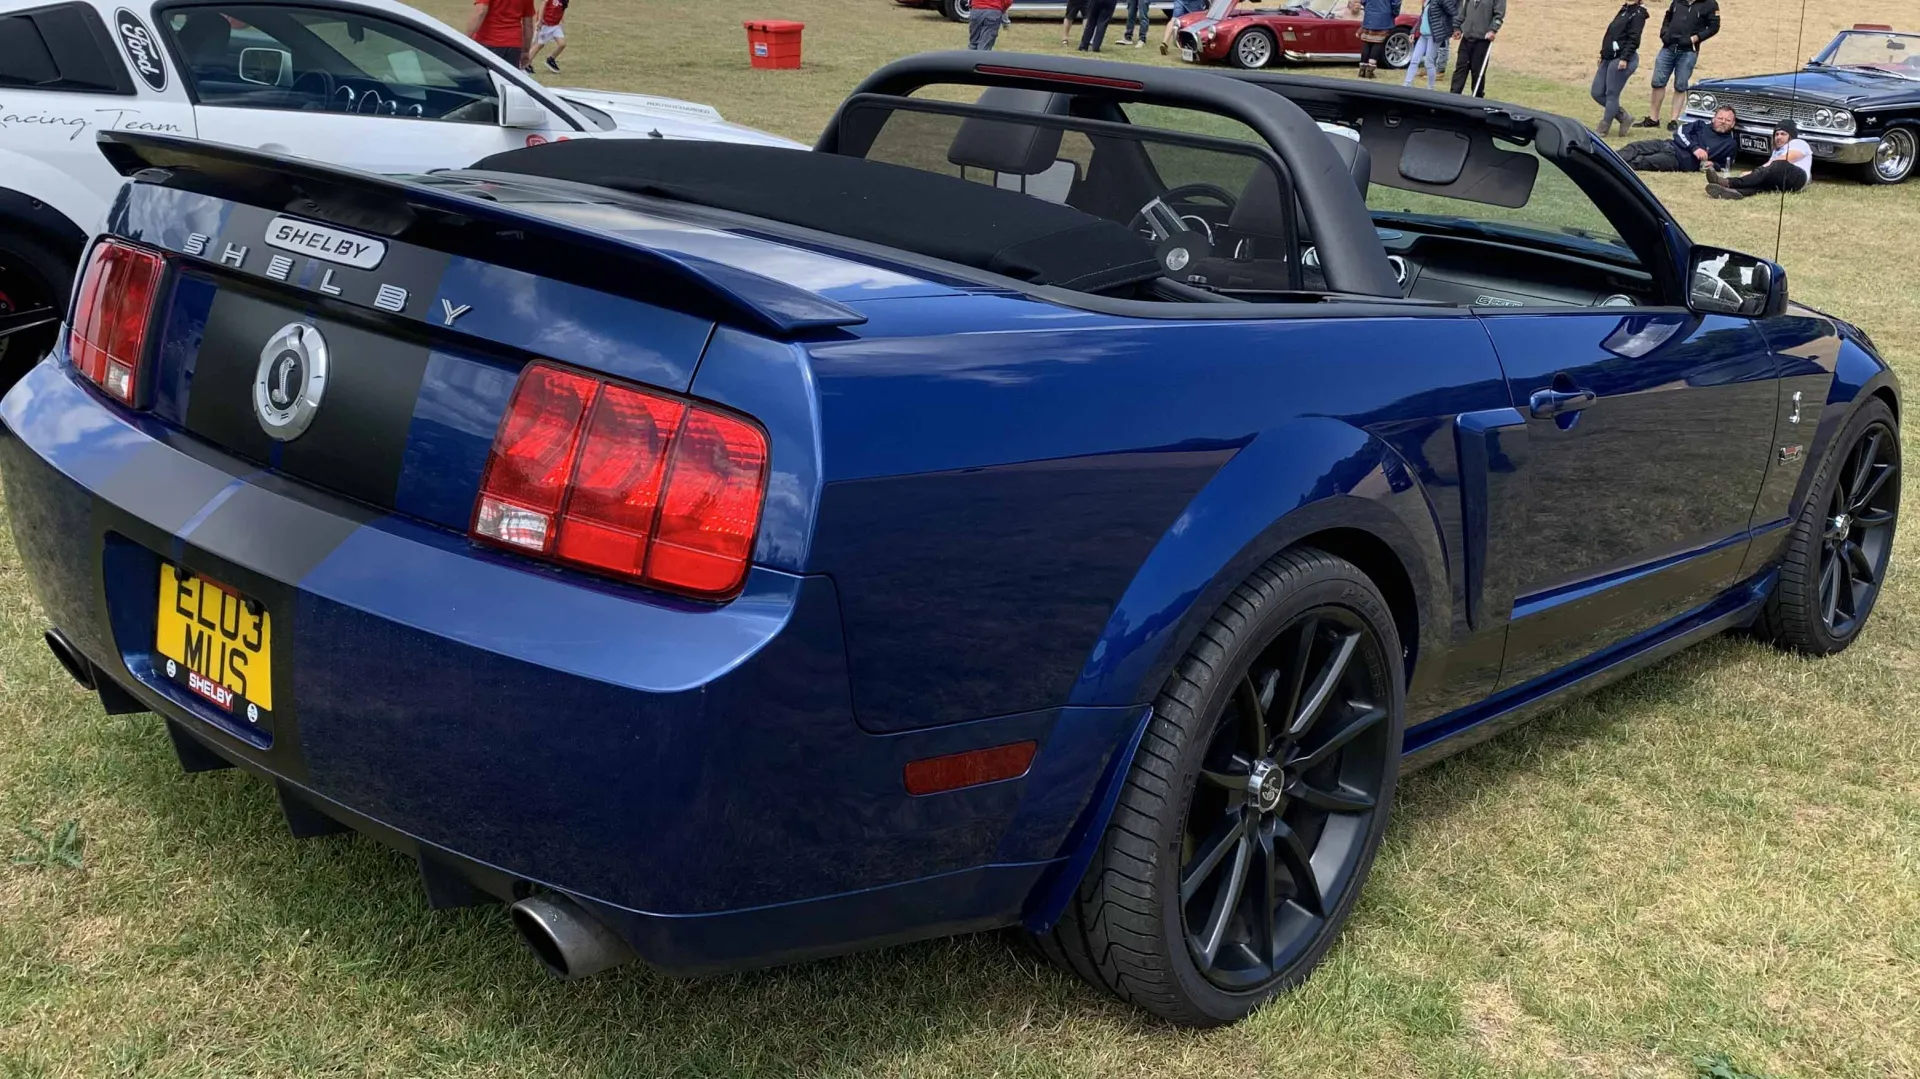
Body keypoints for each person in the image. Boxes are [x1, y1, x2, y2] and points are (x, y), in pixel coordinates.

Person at [1635, 0, 1719, 131]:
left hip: (1688, 51)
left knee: (1680, 85)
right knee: (1657, 82)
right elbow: (1668, 17)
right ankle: (1653, 119)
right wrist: (1664, 33)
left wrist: (1694, 38)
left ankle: (1674, 120)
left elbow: (1714, 27)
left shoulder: (1710, 4)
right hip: (1668, 47)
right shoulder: (1677, 2)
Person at [1707, 121, 1812, 198]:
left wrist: (1753, 172)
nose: (1779, 137)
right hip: (1783, 180)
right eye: (1776, 134)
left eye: (1783, 134)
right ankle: (1734, 192)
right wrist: (1756, 175)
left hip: (1798, 178)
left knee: (1778, 165)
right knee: (1762, 183)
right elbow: (1768, 169)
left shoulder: (1798, 143)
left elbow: (1786, 159)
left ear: (1791, 135)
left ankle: (1728, 182)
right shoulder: (1776, 151)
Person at [1616, 104, 1736, 171]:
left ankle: (1613, 169)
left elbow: (1726, 166)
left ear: (1733, 124)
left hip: (1678, 160)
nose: (1723, 122)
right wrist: (1695, 148)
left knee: (1642, 161)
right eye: (1720, 118)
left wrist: (1713, 165)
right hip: (1668, 144)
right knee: (1635, 147)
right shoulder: (1700, 125)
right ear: (1714, 118)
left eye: (1728, 120)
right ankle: (1607, 159)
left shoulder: (1729, 144)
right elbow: (1679, 132)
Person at [1591, 0, 1647, 135]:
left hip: (1623, 59)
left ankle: (1603, 128)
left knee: (1612, 93)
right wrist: (1603, 54)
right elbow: (1611, 34)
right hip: (1609, 57)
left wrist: (1624, 58)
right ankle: (1623, 117)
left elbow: (1634, 38)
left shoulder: (1638, 14)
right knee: (1597, 92)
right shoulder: (1624, 10)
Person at [1449, 0, 1504, 97]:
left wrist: (1493, 30)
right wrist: (1457, 27)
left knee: (1477, 72)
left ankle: (1477, 98)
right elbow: (1463, 11)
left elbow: (1498, 16)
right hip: (1466, 39)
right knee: (1460, 69)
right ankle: (1453, 97)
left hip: (1482, 40)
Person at [1403, 0, 1458, 90]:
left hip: (1435, 35)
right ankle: (1407, 83)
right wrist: (1413, 31)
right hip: (1423, 34)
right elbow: (1422, 17)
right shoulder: (1427, 1)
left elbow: (1453, 12)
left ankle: (1430, 87)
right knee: (1414, 59)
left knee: (1429, 61)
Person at [468, 0, 533, 68]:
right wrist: (525, 51)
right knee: (508, 77)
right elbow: (528, 25)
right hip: (514, 44)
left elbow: (481, 11)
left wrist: (466, 38)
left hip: (489, 41)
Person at [1356, 0, 1402, 79]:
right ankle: (1370, 71)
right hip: (1383, 17)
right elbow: (1396, 3)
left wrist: (1368, 9)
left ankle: (1362, 70)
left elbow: (1363, 1)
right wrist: (1394, 13)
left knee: (1367, 42)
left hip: (1369, 16)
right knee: (1377, 43)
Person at [526, 0, 567, 73]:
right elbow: (543, 5)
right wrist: (540, 20)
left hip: (555, 25)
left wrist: (561, 19)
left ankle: (551, 59)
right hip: (545, 24)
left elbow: (562, 8)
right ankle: (526, 64)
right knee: (539, 44)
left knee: (562, 44)